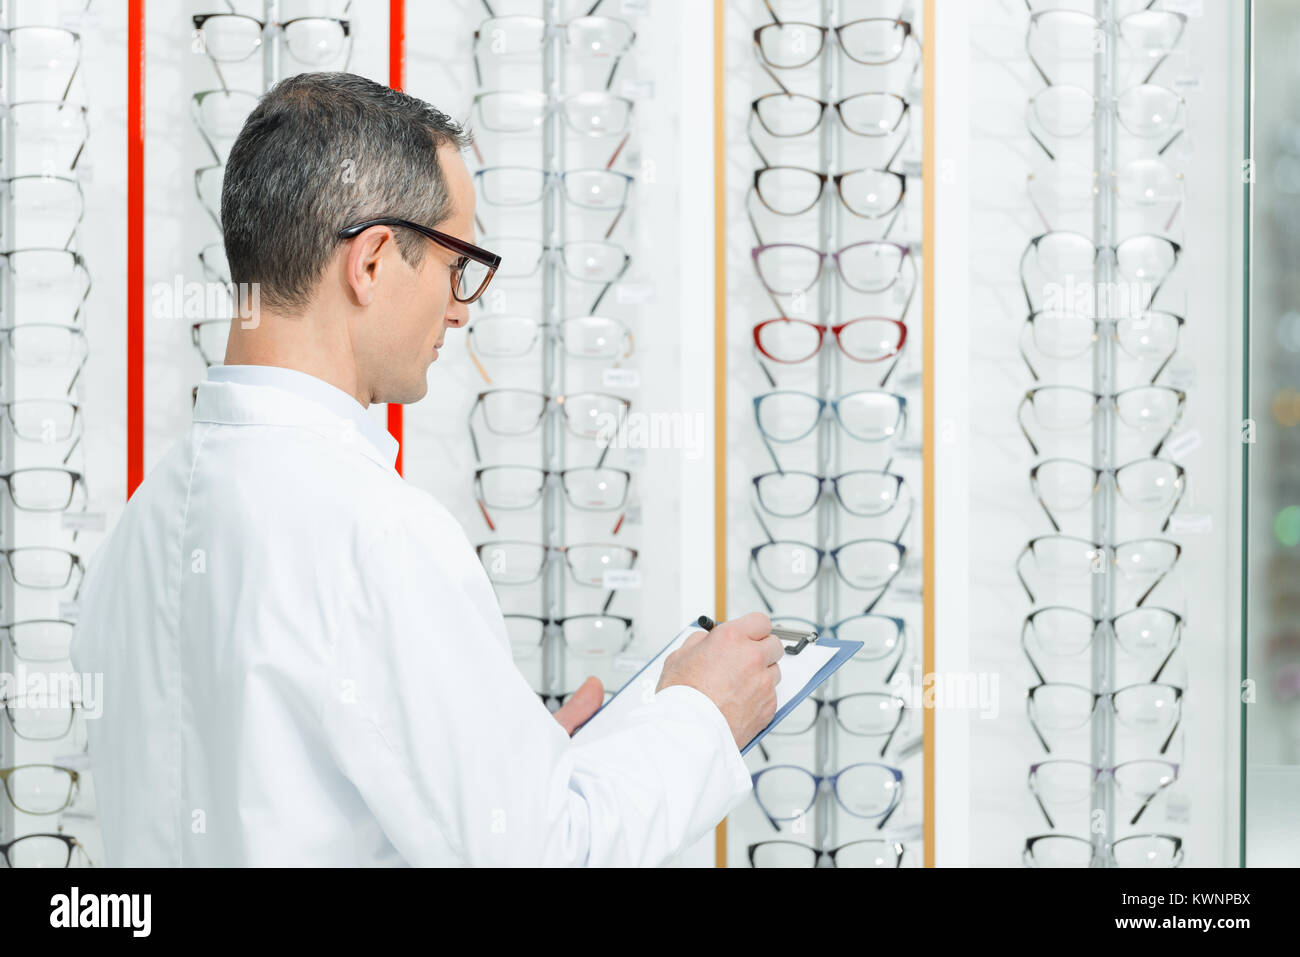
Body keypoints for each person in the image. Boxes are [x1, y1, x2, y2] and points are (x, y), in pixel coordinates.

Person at [71, 72, 782, 866]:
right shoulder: (379, 537)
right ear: (371, 262)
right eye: (457, 264)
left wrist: (499, 773)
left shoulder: (138, 527)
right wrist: (702, 715)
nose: (461, 307)